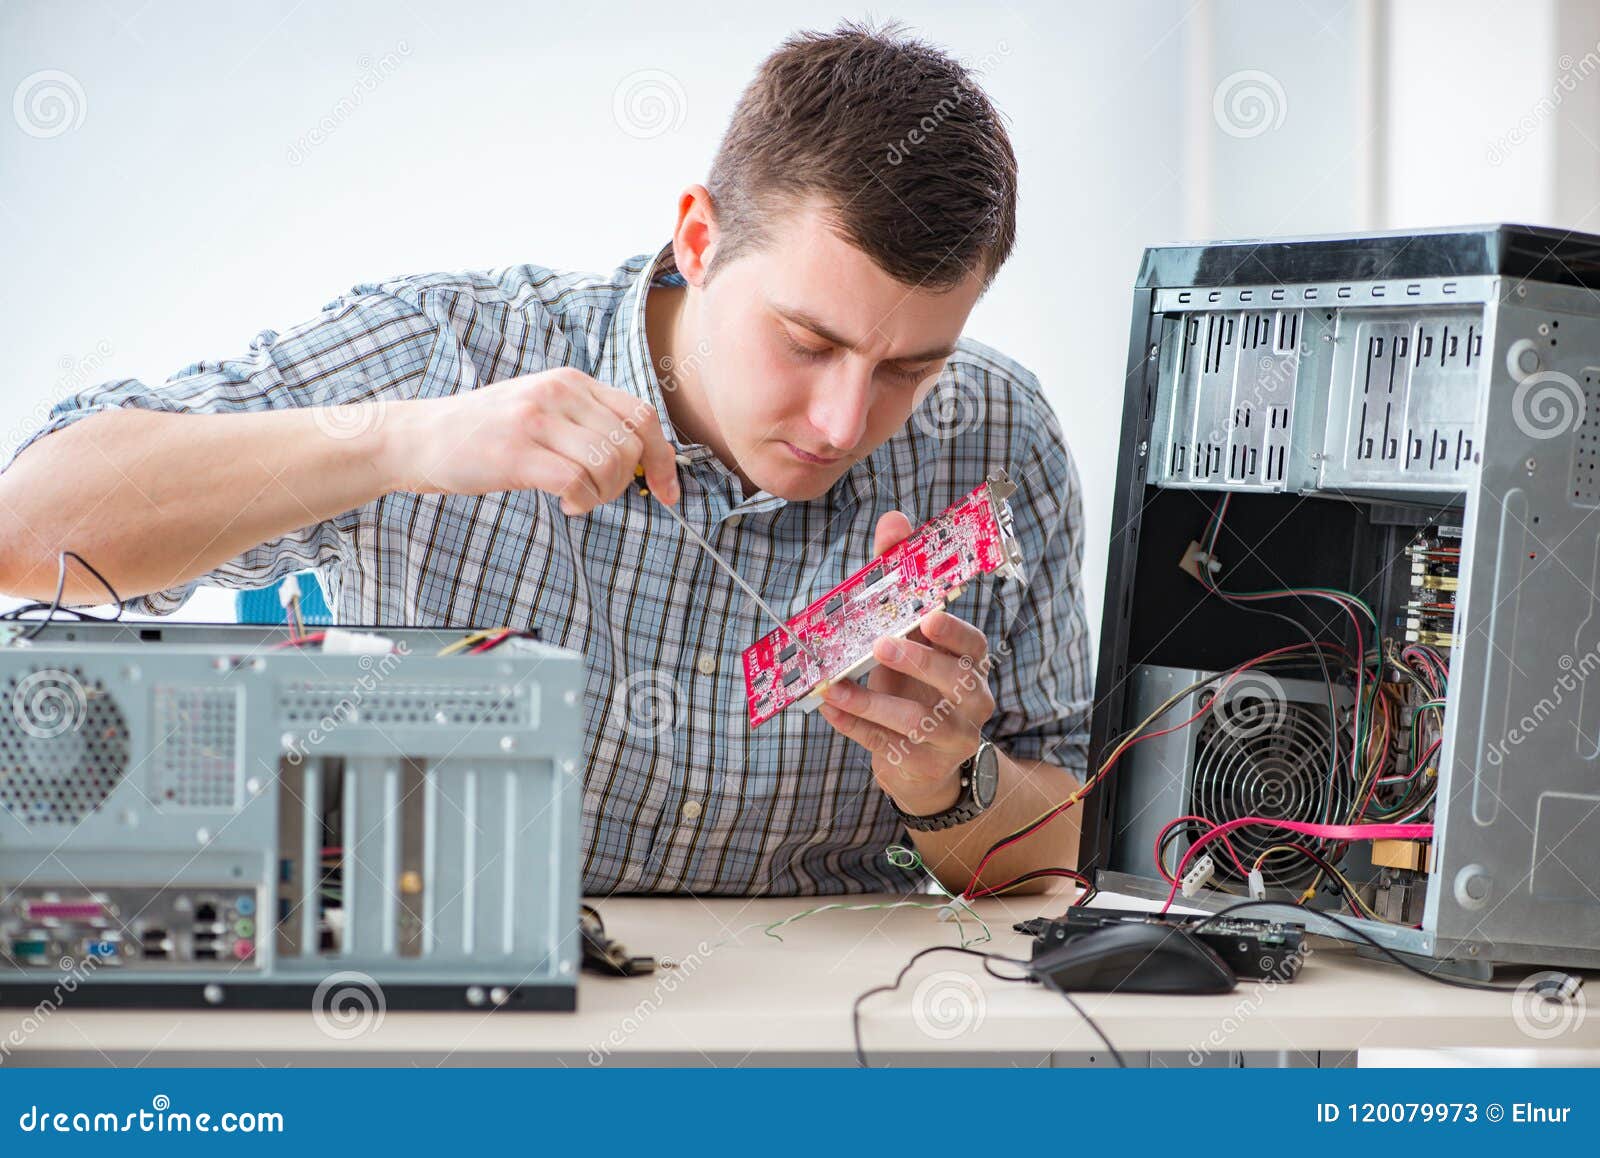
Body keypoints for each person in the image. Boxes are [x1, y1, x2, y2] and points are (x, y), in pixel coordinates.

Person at [0, 22, 1091, 898]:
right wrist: (398, 440)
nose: (845, 418)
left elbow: (1073, 834)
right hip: (447, 1023)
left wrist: (946, 780)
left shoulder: (997, 440)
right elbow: (23, 533)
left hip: (823, 1035)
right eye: (808, 343)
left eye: (909, 366)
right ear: (698, 241)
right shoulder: (449, 350)